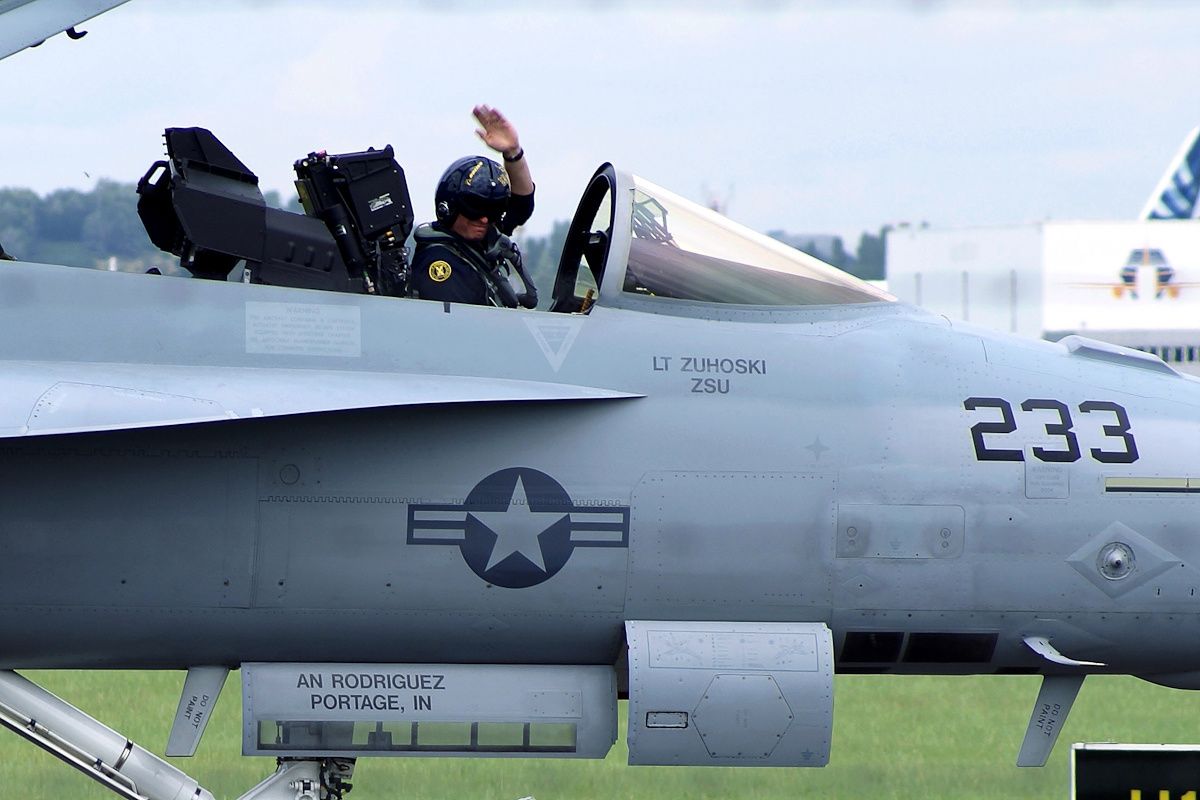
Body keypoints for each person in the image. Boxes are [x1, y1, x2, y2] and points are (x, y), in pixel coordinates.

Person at [410, 105, 537, 307]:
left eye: (492, 209)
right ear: (449, 207)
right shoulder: (440, 264)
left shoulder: (478, 244)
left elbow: (522, 206)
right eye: (475, 208)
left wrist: (513, 152)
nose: (484, 219)